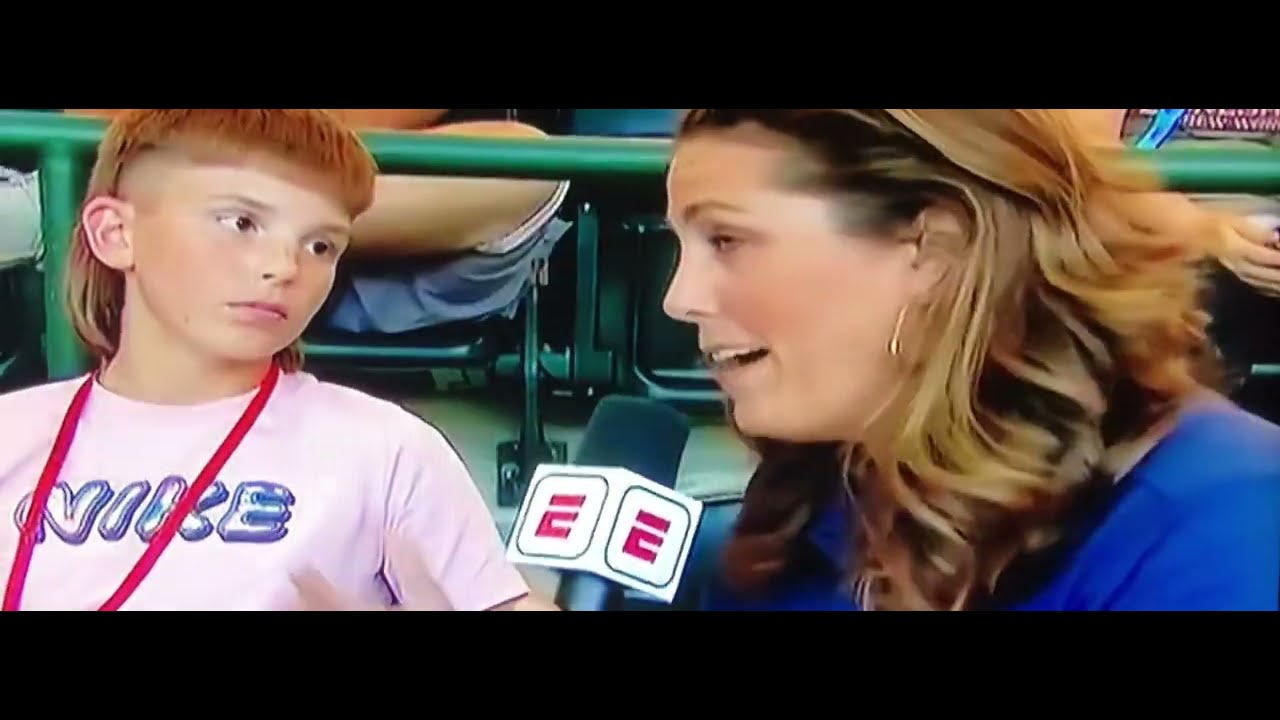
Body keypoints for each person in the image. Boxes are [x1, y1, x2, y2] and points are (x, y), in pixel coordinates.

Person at [660, 109, 1280, 611]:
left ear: (934, 246)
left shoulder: (1225, 522)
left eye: (727, 241)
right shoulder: (806, 511)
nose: (679, 300)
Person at [0, 109, 555, 611]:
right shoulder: (13, 433)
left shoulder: (386, 449)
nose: (285, 266)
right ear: (115, 233)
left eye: (321, 245)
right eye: (240, 223)